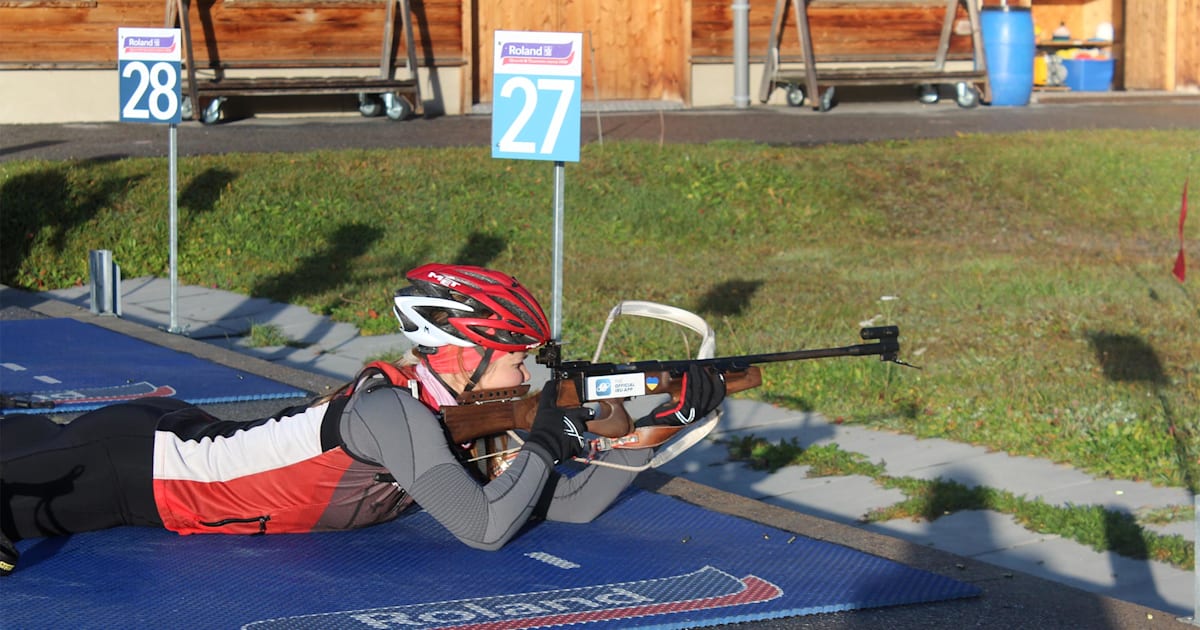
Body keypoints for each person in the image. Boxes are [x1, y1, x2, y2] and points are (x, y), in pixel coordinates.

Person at [0, 263, 725, 576]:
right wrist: (546, 437)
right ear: (460, 356)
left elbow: (566, 504)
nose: (526, 376)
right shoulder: (390, 412)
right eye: (514, 361)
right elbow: (485, 529)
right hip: (137, 469)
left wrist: (659, 423)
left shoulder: (453, 413)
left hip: (182, 434)